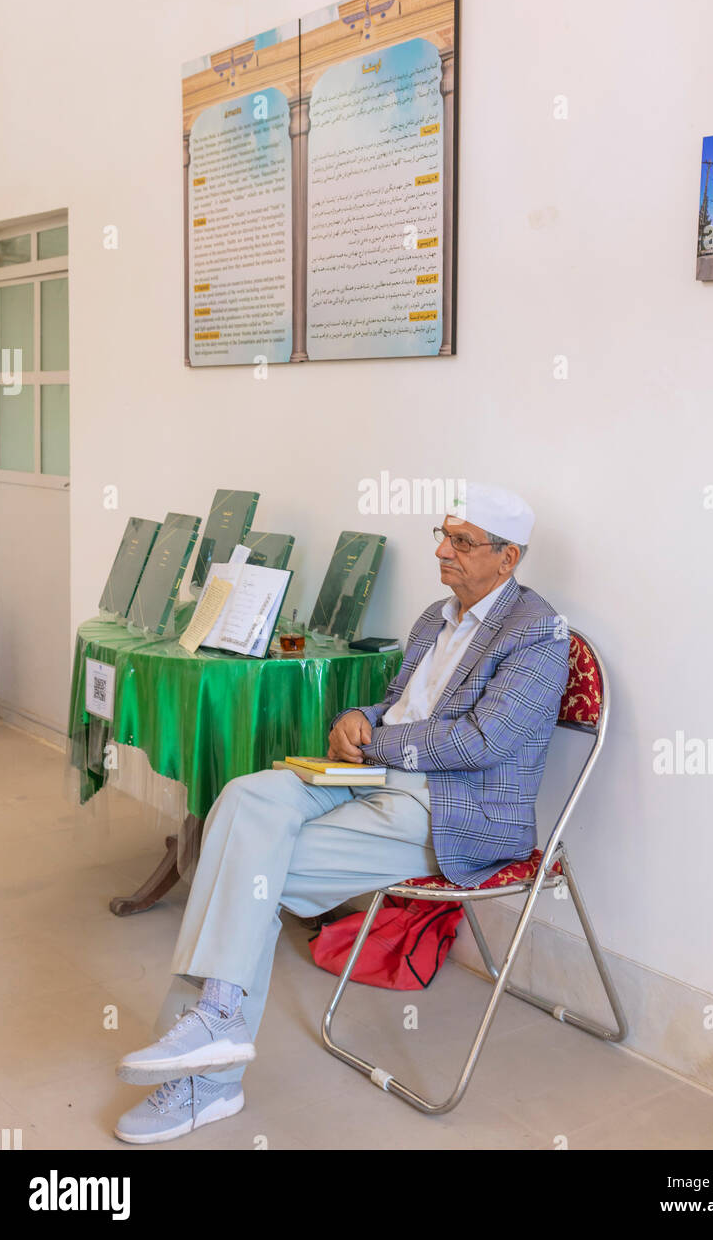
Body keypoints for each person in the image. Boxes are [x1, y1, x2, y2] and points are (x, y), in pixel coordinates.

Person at [113, 482, 570, 1143]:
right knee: (241, 799)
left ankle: (203, 1081)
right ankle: (216, 1029)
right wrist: (359, 718)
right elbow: (396, 703)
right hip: (374, 775)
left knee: (248, 865)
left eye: (463, 542)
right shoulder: (434, 618)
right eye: (443, 534)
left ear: (509, 557)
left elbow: (481, 742)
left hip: (451, 807)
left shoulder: (538, 633)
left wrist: (375, 740)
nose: (443, 550)